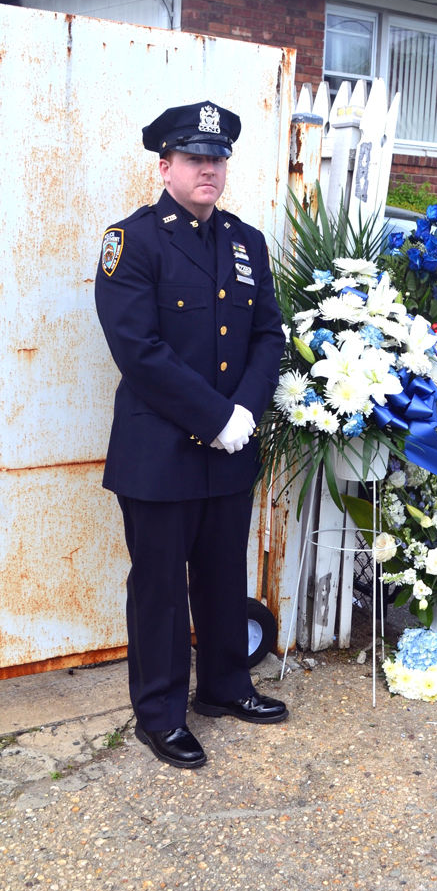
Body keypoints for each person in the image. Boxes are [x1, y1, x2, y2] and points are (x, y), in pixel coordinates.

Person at [95, 100, 287, 769]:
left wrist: (248, 410)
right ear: (165, 165)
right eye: (196, 158)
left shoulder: (245, 241)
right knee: (158, 588)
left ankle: (226, 688)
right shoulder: (133, 240)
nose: (210, 169)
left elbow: (268, 333)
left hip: (231, 444)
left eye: (218, 158)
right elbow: (138, 348)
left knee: (219, 571)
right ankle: (160, 714)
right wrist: (217, 416)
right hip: (160, 451)